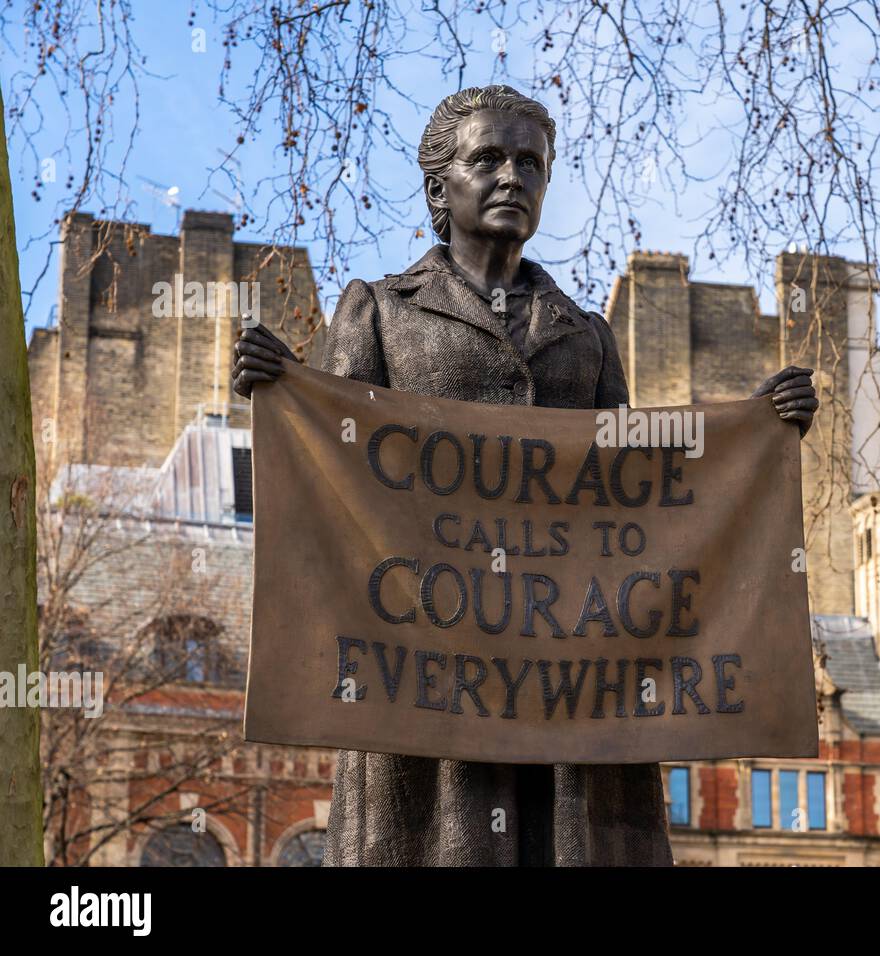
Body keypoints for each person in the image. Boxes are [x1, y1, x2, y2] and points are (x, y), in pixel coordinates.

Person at [232, 85, 819, 866]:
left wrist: (754, 432)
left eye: (531, 163)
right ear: (441, 188)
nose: (514, 176)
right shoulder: (379, 312)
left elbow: (642, 496)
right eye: (490, 159)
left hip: (571, 695)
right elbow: (336, 478)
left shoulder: (588, 338)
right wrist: (280, 392)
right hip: (425, 687)